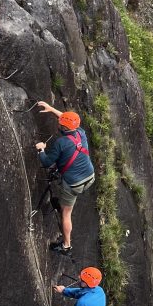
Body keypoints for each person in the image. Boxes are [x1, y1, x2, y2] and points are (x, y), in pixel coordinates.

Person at [35, 101, 95, 254]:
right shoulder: (80, 132)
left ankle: (66, 246)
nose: (58, 123)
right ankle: (62, 203)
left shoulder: (61, 143)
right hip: (89, 176)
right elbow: (66, 119)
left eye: (60, 123)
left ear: (63, 127)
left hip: (74, 183)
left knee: (66, 213)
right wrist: (51, 109)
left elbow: (47, 162)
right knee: (65, 200)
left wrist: (41, 150)